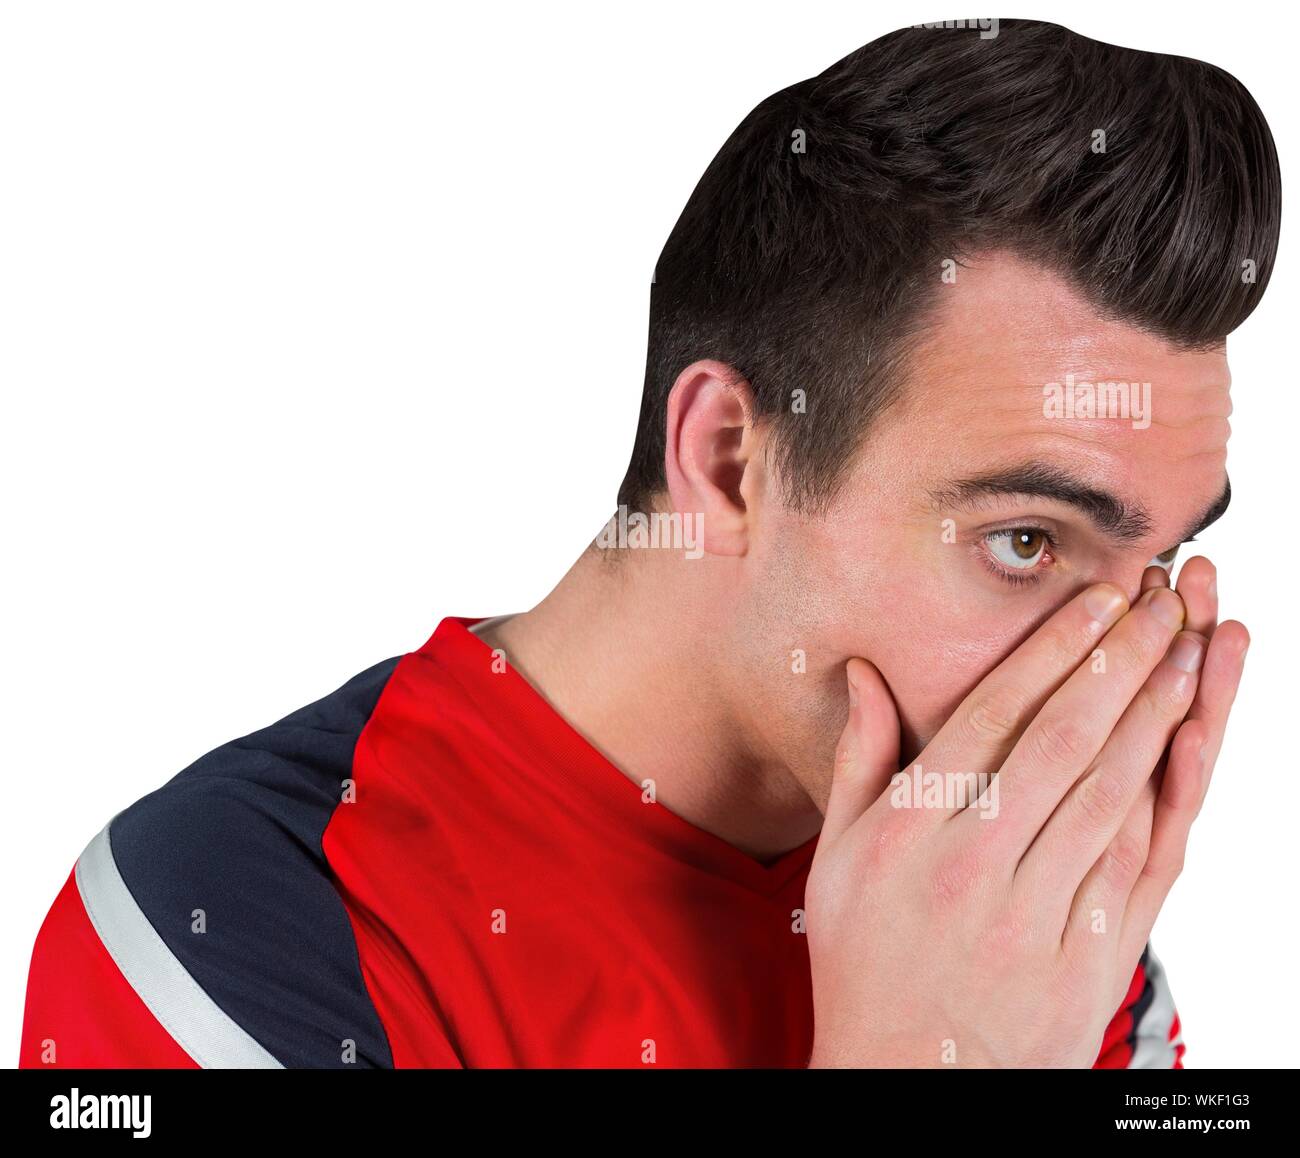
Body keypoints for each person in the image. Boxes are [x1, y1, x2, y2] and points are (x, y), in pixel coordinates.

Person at [19, 19, 1278, 1068]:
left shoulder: (1029, 914)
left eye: (1155, 571)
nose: (1116, 688)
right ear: (730, 458)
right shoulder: (225, 926)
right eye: (1023, 542)